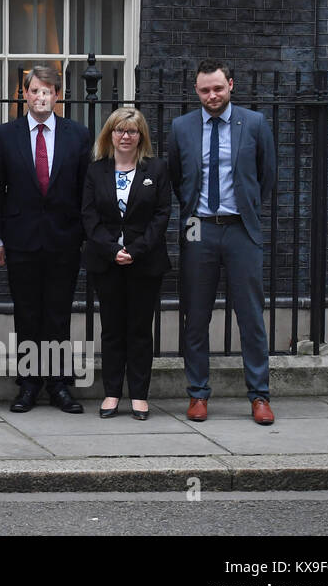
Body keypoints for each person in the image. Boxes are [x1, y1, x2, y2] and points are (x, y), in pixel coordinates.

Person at [167, 58, 277, 425]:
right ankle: (198, 395)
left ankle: (259, 396)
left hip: (241, 228)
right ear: (196, 91)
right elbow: (176, 176)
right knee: (196, 315)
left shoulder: (255, 123)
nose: (212, 95)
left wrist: (245, 208)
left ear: (231, 84)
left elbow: (267, 175)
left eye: (218, 88)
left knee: (251, 315)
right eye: (204, 90)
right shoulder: (181, 127)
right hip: (199, 228)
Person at [0, 65, 92, 414]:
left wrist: (83, 236)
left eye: (47, 90)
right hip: (21, 239)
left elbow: (85, 191)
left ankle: (60, 385)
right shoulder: (7, 135)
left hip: (64, 239)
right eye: (34, 90)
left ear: (58, 96)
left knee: (59, 315)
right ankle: (29, 384)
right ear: (25, 94)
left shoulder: (78, 135)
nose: (40, 96)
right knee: (27, 314)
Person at [82, 107, 171, 421]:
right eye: (119, 130)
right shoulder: (96, 171)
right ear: (110, 134)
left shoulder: (156, 170)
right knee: (112, 330)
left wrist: (135, 249)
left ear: (141, 136)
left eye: (132, 131)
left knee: (139, 330)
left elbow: (162, 216)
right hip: (106, 264)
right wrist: (111, 250)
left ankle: (139, 395)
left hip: (144, 263)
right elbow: (89, 217)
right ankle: (111, 393)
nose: (125, 136)